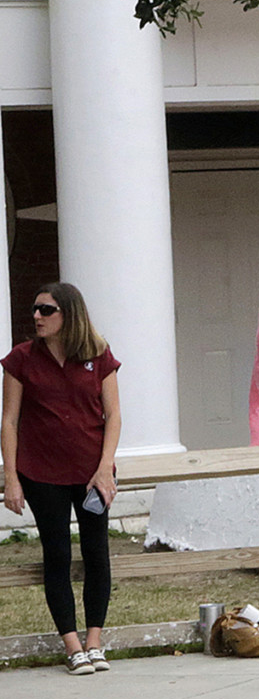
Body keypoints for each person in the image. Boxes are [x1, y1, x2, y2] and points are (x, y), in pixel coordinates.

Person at [2, 284, 121, 676]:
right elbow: (10, 420)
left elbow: (113, 416)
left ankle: (95, 642)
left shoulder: (98, 354)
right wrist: (11, 476)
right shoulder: (21, 359)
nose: (37, 316)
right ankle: (72, 647)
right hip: (42, 473)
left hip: (92, 473)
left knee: (96, 553)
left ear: (68, 314)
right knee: (57, 555)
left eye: (46, 310)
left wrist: (105, 467)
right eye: (35, 309)